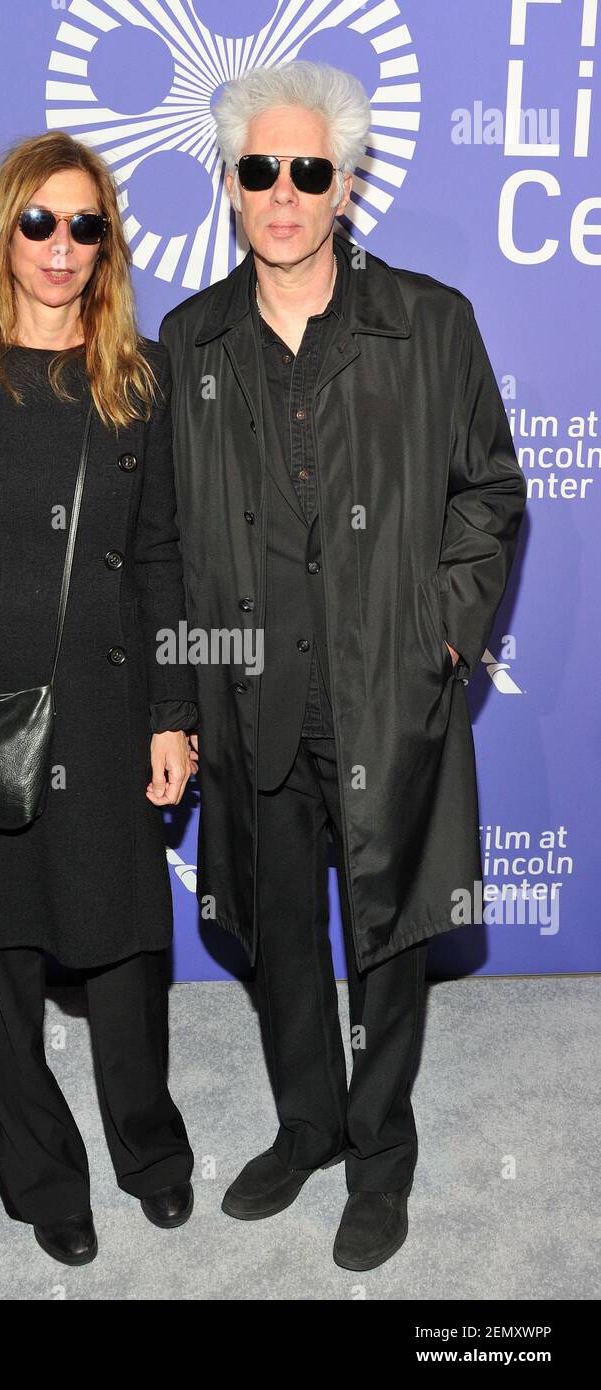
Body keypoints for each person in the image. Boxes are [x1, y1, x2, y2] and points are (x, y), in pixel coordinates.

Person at [159, 60, 527, 1271]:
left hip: (387, 698)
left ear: (345, 183)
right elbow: (163, 538)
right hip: (251, 694)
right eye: (260, 169)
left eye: (308, 170)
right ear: (229, 184)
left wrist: (445, 631)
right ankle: (307, 1123)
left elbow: (490, 493)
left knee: (391, 934)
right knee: (278, 934)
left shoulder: (429, 322)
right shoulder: (190, 339)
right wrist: (184, 689)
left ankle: (382, 1155)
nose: (283, 191)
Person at [0, 131, 199, 1267]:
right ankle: (42, 1177)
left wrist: (173, 711)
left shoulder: (140, 381)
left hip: (109, 714)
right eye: (41, 222)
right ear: (5, 231)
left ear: (108, 244)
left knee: (120, 952)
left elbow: (161, 560)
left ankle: (150, 1150)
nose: (62, 247)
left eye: (86, 226)